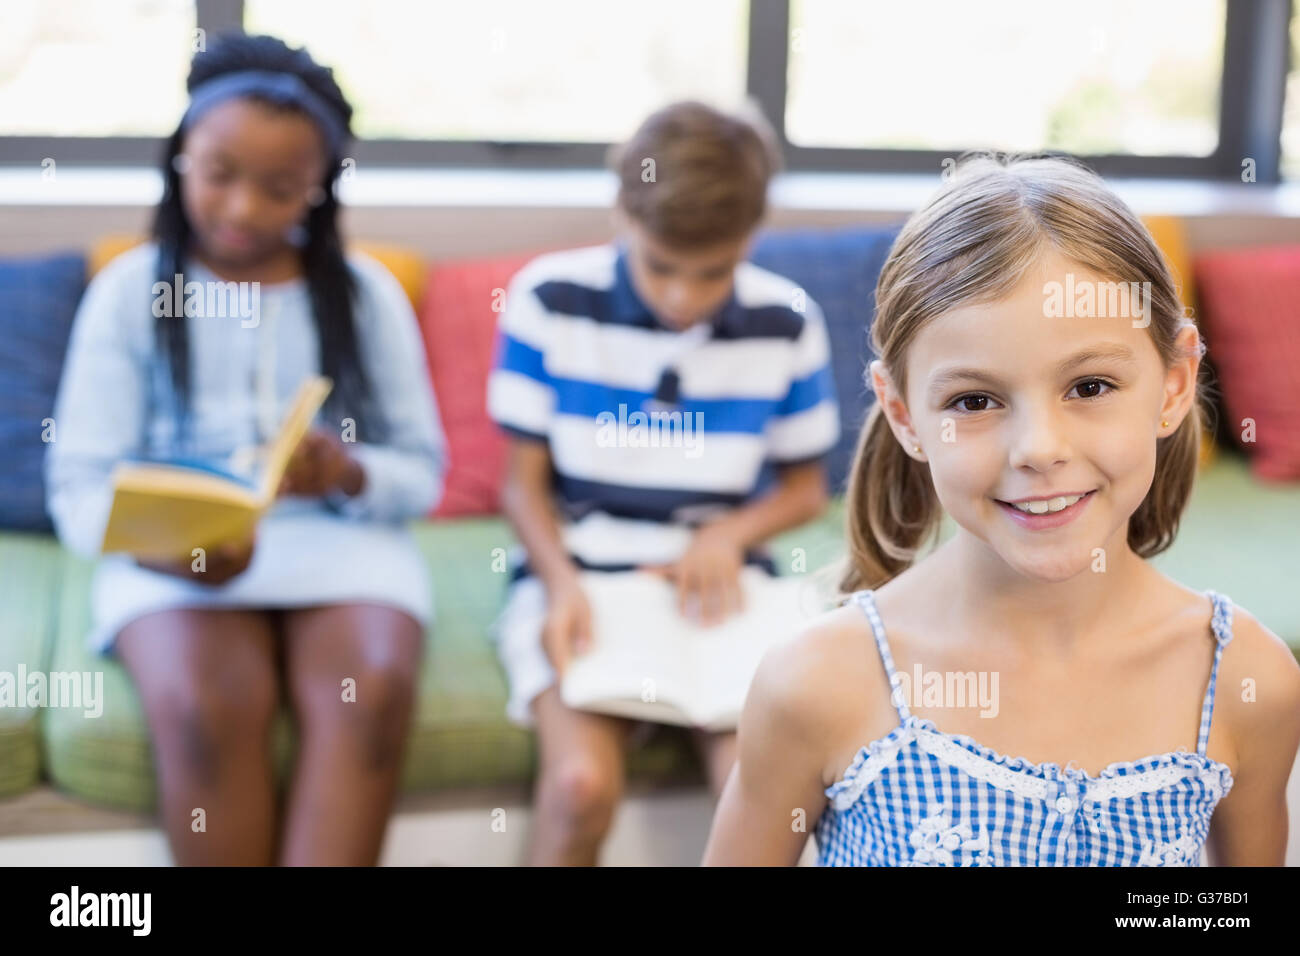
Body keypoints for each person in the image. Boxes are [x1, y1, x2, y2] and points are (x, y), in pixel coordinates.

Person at [703, 154, 1300, 866]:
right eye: (975, 401)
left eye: (1090, 385)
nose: (1038, 449)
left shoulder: (1244, 678)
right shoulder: (817, 683)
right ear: (903, 413)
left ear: (1173, 384)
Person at [44, 33, 448, 865]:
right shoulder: (131, 293)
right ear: (179, 161)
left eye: (278, 188)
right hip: (172, 563)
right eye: (219, 174)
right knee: (204, 710)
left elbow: (424, 470)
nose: (240, 210)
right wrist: (171, 554)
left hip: (340, 547)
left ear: (317, 190)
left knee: (370, 694)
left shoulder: (365, 295)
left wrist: (348, 473)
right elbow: (79, 487)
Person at [486, 101, 840, 865]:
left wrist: (729, 533)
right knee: (579, 785)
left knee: (768, 800)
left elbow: (806, 487)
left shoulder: (786, 321)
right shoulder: (549, 298)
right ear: (622, 214)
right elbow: (521, 486)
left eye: (711, 273)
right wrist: (560, 585)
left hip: (721, 587)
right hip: (580, 577)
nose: (683, 298)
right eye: (661, 267)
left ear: (750, 237)